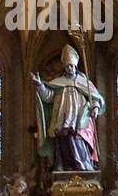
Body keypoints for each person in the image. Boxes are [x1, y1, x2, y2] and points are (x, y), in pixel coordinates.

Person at [32, 44, 104, 172]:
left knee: (77, 139)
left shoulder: (84, 82)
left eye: (71, 66)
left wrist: (95, 108)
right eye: (67, 66)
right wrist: (40, 85)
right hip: (62, 118)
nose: (69, 68)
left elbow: (95, 97)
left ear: (75, 66)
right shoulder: (59, 82)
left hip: (79, 118)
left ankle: (82, 164)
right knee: (62, 140)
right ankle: (63, 165)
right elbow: (48, 97)